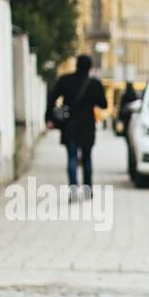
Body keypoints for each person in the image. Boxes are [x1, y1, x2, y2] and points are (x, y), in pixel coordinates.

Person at [45, 54, 107, 194]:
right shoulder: (94, 84)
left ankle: (73, 192)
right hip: (87, 126)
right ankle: (87, 190)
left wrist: (50, 117)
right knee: (87, 159)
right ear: (90, 67)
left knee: (72, 158)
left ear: (76, 65)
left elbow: (51, 98)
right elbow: (103, 104)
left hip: (70, 125)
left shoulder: (65, 80)